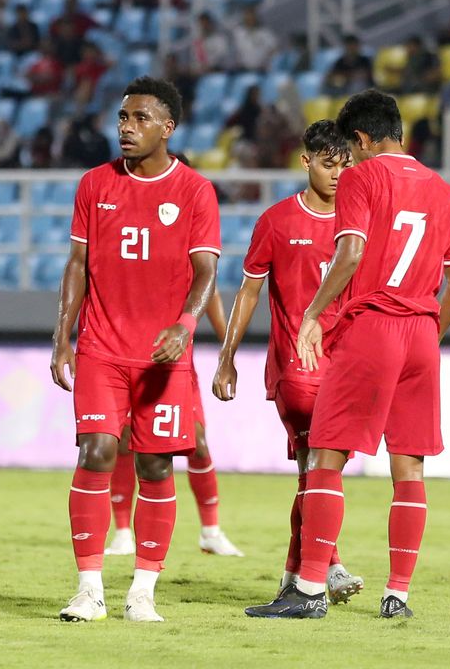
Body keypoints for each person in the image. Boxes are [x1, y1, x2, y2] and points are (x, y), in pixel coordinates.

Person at [275, 89, 450, 620]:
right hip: (422, 332)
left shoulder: (363, 178)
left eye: (352, 148)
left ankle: (310, 589)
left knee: (326, 454)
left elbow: (352, 251)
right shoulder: (446, 192)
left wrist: (314, 314)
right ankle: (398, 595)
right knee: (409, 467)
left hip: (374, 325)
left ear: (361, 139)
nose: (350, 161)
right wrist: (431, 335)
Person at [51, 76, 221, 624]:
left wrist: (186, 324)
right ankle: (89, 588)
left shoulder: (195, 191)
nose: (127, 128)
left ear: (168, 127)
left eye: (141, 119)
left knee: (154, 465)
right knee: (97, 451)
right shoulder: (94, 184)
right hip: (101, 346)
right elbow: (77, 266)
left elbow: (206, 271)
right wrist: (63, 338)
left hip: (164, 356)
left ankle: (143, 590)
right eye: (123, 118)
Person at [212, 120, 365, 614]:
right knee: (320, 471)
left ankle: (298, 576)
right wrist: (228, 354)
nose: (337, 174)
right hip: (296, 367)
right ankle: (326, 569)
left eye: (344, 164)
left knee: (312, 475)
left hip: (346, 367)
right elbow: (249, 291)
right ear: (306, 162)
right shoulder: (277, 221)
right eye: (327, 164)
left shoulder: (360, 222)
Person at [105, 289, 243, 560]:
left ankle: (211, 531)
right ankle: (122, 534)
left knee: (199, 443)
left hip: (176, 362)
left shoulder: (184, 252)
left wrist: (226, 347)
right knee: (124, 441)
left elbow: (210, 291)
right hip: (129, 355)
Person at [231, 6, 278, 72]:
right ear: (244, 18)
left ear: (256, 17)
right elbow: (235, 52)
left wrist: (268, 63)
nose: (250, 19)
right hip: (243, 69)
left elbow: (274, 50)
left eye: (252, 17)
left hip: (262, 69)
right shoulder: (238, 33)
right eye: (247, 17)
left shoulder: (265, 33)